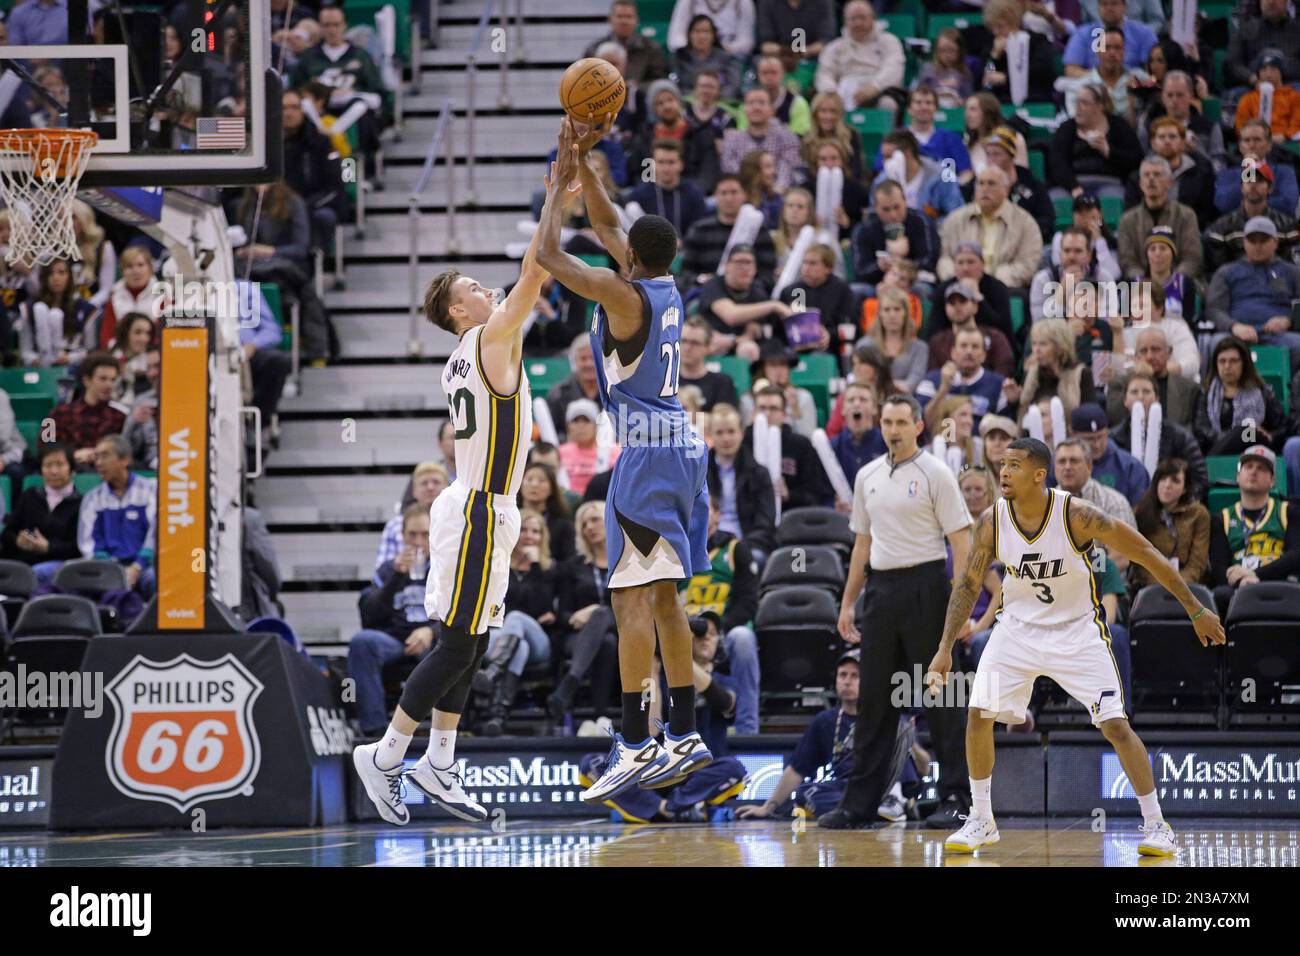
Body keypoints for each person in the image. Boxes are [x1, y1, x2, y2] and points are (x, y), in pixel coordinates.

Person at [351, 180, 554, 827]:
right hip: (475, 510)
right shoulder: (491, 340)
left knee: (468, 644)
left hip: (485, 510)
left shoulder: (468, 354)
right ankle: (385, 755)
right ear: (459, 313)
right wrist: (561, 193)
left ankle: (439, 761)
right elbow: (538, 269)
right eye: (471, 288)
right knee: (459, 645)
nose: (483, 289)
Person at [536, 118, 716, 801]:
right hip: (682, 447)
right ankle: (685, 732)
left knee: (628, 599)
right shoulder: (661, 284)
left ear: (630, 257)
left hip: (645, 452)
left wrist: (555, 192)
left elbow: (552, 259)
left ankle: (636, 742)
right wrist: (582, 161)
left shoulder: (621, 293)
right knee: (666, 596)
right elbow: (610, 221)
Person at [932, 436, 1224, 857]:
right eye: (1003, 465)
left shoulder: (1076, 515)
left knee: (1116, 726)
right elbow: (968, 584)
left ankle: (1158, 825)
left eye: (1014, 465)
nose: (1004, 472)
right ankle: (981, 819)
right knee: (978, 713)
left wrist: (1195, 609)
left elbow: (1143, 550)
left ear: (1038, 474)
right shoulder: (992, 522)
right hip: (1017, 629)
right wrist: (944, 646)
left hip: (1077, 631)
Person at [818, 394, 973, 830]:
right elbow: (861, 546)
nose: (893, 429)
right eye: (887, 421)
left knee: (943, 701)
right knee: (874, 704)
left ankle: (958, 800)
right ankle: (859, 805)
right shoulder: (866, 475)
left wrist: (958, 609)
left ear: (918, 426)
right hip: (881, 593)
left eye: (902, 422)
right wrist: (849, 602)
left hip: (927, 588)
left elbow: (961, 543)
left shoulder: (936, 473)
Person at [578, 619, 750, 822]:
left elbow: (725, 702)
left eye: (712, 634)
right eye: (699, 635)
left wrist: (676, 653)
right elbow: (651, 729)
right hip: (658, 771)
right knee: (591, 763)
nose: (706, 638)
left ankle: (660, 807)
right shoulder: (663, 677)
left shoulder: (725, 677)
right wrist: (653, 668)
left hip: (698, 772)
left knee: (735, 768)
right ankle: (666, 808)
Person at [738, 648, 929, 821]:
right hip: (847, 790)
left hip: (883, 784)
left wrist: (910, 740)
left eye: (855, 676)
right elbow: (796, 770)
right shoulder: (826, 721)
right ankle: (861, 811)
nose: (847, 681)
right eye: (843, 675)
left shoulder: (892, 715)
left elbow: (924, 769)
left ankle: (893, 801)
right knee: (805, 793)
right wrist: (767, 807)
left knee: (897, 727)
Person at [349, 504, 439, 736]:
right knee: (362, 642)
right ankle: (374, 729)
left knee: (454, 649)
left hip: (433, 642)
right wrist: (397, 576)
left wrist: (431, 631)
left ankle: (445, 729)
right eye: (412, 535)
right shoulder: (387, 570)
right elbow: (369, 617)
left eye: (425, 534)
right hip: (395, 640)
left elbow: (460, 616)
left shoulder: (445, 570)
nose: (418, 542)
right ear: (402, 536)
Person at [679, 499, 761, 733]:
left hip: (724, 632)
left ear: (717, 515)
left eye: (704, 511)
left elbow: (748, 602)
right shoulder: (675, 554)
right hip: (686, 632)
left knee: (744, 638)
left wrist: (717, 629)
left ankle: (747, 729)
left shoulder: (735, 550)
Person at [472, 510, 557, 736]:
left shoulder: (550, 568)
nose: (529, 536)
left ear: (543, 537)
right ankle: (497, 717)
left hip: (539, 641)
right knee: (520, 647)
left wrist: (536, 565)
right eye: (524, 530)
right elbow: (492, 603)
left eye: (536, 531)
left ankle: (492, 673)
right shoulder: (498, 565)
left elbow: (544, 608)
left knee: (516, 618)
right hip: (502, 639)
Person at [1207, 445, 1300, 616]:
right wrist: (1242, 582)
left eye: (1261, 468)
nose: (1253, 472)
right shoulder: (1222, 518)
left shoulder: (1289, 511)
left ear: (1272, 481)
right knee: (1218, 595)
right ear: (1238, 477)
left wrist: (1256, 575)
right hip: (1237, 590)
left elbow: (1295, 556)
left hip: (1279, 584)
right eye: (1248, 467)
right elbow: (1218, 568)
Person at [1204, 217, 1300, 374]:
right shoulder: (1226, 272)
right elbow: (1214, 309)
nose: (1257, 246)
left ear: (1275, 242)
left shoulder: (1292, 272)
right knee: (1216, 344)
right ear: (1244, 243)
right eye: (1252, 241)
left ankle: (1292, 395)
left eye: (1263, 240)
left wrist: (1288, 320)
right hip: (1237, 333)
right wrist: (1234, 326)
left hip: (1279, 335)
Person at [938, 167, 1044, 290]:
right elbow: (944, 259)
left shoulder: (1025, 222)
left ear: (1006, 189)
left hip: (1005, 287)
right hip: (960, 286)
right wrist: (961, 277)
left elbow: (1028, 264)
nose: (985, 189)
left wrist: (990, 282)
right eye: (980, 183)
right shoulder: (955, 220)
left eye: (991, 183)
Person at [77, 435, 157, 597]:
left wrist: (137, 566)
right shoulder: (93, 498)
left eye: (105, 456)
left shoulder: (151, 490)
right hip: (106, 567)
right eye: (96, 457)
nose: (98, 463)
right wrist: (114, 570)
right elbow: (88, 543)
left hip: (144, 566)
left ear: (125, 460)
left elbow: (156, 534)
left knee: (155, 578)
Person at [1109, 371, 1209, 498]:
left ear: (1156, 398)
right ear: (1125, 400)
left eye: (1146, 391)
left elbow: (1199, 478)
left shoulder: (1179, 436)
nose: (1140, 397)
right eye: (1134, 392)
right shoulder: (1113, 439)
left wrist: (1180, 503)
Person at [1193, 336, 1290, 456]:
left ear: (1244, 363)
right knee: (1243, 431)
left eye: (1234, 361)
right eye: (1222, 361)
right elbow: (1202, 430)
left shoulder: (1263, 393)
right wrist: (1234, 436)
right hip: (1216, 449)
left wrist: (1270, 436)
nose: (1227, 366)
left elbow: (1283, 428)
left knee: (1247, 432)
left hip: (1256, 451)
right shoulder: (1206, 394)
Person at [1046, 85, 1144, 203]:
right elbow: (1057, 162)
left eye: (1084, 103)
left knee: (1115, 198)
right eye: (1076, 102)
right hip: (1073, 183)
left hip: (1110, 182)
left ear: (1100, 106)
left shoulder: (1119, 126)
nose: (1078, 108)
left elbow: (1136, 159)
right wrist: (1073, 186)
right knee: (1056, 198)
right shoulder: (1067, 128)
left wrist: (1108, 151)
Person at [743, 384, 833, 508]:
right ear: (753, 412)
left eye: (774, 408)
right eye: (762, 408)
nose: (767, 414)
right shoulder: (742, 445)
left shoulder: (802, 445)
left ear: (784, 414)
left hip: (792, 518)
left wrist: (789, 494)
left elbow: (815, 493)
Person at [681, 175, 779, 289]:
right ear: (715, 197)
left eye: (734, 192)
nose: (729, 198)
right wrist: (701, 279)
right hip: (706, 292)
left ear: (744, 195)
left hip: (748, 296)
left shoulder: (758, 231)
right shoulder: (700, 230)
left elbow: (767, 276)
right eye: (723, 193)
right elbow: (686, 274)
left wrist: (743, 285)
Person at [706, 403, 777, 560]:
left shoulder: (759, 473)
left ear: (741, 433)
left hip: (748, 544)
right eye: (719, 432)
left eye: (731, 431)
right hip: (708, 544)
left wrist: (741, 547)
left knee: (755, 559)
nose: (726, 438)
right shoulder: (698, 473)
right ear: (711, 435)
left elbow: (766, 522)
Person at [1116, 155, 1203, 280]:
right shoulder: (1127, 220)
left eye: (1157, 174)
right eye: (1146, 175)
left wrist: (1172, 281)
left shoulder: (1186, 215)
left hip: (1179, 281)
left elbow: (1192, 257)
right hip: (1142, 284)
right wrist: (1146, 282)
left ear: (1169, 183)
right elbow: (1127, 262)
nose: (1151, 179)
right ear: (1140, 184)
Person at [0, 444, 82, 575]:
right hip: (23, 561)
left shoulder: (80, 503)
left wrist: (48, 547)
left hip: (60, 565)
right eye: (48, 466)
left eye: (60, 465)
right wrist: (17, 541)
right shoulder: (30, 496)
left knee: (38, 573)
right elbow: (7, 532)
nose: (54, 471)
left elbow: (78, 547)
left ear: (72, 470)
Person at [1205, 162, 1300, 274]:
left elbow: (1292, 270)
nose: (1253, 185)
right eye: (1249, 180)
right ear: (1241, 187)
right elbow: (1220, 271)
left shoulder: (1287, 226)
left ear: (1270, 188)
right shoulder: (1222, 227)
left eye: (1259, 181)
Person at [919, 323, 1012, 437]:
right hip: (939, 447)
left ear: (984, 355)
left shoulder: (998, 385)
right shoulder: (931, 380)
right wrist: (943, 389)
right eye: (963, 346)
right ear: (953, 352)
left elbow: (1006, 432)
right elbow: (923, 425)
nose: (969, 351)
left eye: (975, 346)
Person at [966, 126, 1055, 242]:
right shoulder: (977, 183)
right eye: (988, 154)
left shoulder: (1031, 185)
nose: (991, 160)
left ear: (1011, 155)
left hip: (1023, 244)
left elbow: (1047, 221)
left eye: (997, 154)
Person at [696, 244, 787, 357]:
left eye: (749, 263)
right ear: (727, 266)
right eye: (739, 262)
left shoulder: (757, 291)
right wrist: (774, 305)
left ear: (755, 268)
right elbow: (731, 315)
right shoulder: (713, 285)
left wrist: (734, 340)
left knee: (752, 348)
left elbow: (753, 332)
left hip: (738, 347)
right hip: (710, 343)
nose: (745, 268)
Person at [813, 1, 904, 113]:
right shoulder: (834, 47)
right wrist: (833, 94)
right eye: (853, 19)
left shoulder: (889, 41)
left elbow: (893, 69)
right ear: (845, 22)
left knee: (888, 104)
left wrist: (874, 87)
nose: (858, 23)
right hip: (843, 94)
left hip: (879, 91)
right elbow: (824, 74)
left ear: (872, 18)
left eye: (862, 18)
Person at [1133, 458, 1210, 588]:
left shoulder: (1199, 514)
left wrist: (1179, 586)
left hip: (1188, 586)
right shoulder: (1139, 512)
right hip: (1149, 585)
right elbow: (1138, 560)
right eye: (1163, 479)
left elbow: (1197, 562)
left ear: (1185, 488)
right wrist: (1160, 585)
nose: (1167, 485)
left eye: (1175, 481)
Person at [852, 179, 940, 291]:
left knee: (921, 289)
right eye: (886, 209)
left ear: (905, 201)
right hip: (877, 283)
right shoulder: (864, 230)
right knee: (857, 291)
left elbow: (930, 260)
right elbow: (860, 271)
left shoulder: (921, 222)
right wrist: (880, 266)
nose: (893, 215)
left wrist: (901, 267)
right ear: (876, 208)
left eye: (896, 207)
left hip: (913, 280)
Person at [1106, 327, 1201, 430]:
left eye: (1155, 349)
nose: (1149, 356)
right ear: (1136, 356)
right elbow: (1116, 422)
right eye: (1143, 351)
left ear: (1169, 352)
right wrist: (1139, 378)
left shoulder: (1189, 389)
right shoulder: (1118, 385)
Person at [50, 351, 126, 471]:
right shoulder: (58, 413)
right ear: (87, 380)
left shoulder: (120, 416)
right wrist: (73, 454)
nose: (109, 385)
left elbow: (125, 450)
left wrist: (97, 454)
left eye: (112, 380)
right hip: (69, 470)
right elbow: (44, 445)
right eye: (103, 379)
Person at [1135, 117, 1216, 230]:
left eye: (1172, 136)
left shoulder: (1201, 171)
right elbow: (1134, 210)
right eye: (1162, 137)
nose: (1167, 141)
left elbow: (1206, 210)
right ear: (1153, 143)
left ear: (1183, 142)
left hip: (1189, 229)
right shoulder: (1139, 174)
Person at [1016, 319, 1098, 425]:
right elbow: (1022, 417)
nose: (1036, 350)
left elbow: (1091, 414)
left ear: (1060, 347)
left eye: (1043, 344)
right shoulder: (1033, 373)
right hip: (1034, 438)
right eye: (1034, 344)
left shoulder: (1081, 373)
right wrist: (1013, 401)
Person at [719, 88, 804, 191]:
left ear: (772, 110)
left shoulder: (787, 137)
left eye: (762, 103)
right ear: (744, 109)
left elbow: (788, 168)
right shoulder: (732, 139)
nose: (756, 107)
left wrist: (776, 191)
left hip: (779, 194)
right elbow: (730, 170)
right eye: (751, 103)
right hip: (743, 193)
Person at [1063, 27, 1150, 127]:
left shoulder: (1141, 79)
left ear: (1124, 52)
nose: (1112, 53)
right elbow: (1076, 122)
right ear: (1097, 51)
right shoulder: (1080, 87)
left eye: (1117, 47)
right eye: (1106, 47)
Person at [623, 139, 709, 239]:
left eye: (671, 162)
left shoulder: (694, 194)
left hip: (689, 250)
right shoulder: (638, 196)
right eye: (661, 162)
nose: (666, 168)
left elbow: (701, 228)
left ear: (681, 164)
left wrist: (684, 242)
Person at [925, 283, 1015, 379]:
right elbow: (931, 378)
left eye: (962, 301)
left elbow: (1004, 371)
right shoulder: (937, 342)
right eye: (952, 303)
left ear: (975, 306)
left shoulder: (995, 337)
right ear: (946, 308)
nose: (957, 307)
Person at [373, 462, 449, 574]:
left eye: (436, 482)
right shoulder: (395, 526)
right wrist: (396, 564)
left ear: (447, 488)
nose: (430, 487)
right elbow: (380, 574)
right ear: (414, 491)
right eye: (424, 483)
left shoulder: (458, 523)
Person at [1071, 402, 1150, 505]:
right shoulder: (1059, 465)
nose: (1097, 445)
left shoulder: (1130, 467)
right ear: (1073, 435)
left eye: (1101, 437)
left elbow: (1142, 508)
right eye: (1089, 439)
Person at [583, 0, 670, 86]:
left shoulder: (652, 49)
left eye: (629, 17)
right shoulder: (594, 49)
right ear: (610, 19)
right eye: (620, 16)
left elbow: (660, 83)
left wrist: (636, 88)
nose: (624, 21)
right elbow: (585, 81)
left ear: (637, 20)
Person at [1063, 0, 1158, 76]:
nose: (1109, 8)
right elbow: (1071, 70)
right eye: (1104, 4)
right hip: (1094, 90)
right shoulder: (1082, 34)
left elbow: (1153, 69)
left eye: (1114, 3)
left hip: (1132, 88)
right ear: (1098, 8)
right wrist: (1102, 79)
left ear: (1125, 7)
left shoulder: (1144, 33)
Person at [865, 286, 929, 394]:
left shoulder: (920, 348)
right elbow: (863, 382)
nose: (892, 315)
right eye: (886, 310)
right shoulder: (866, 345)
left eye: (897, 309)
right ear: (880, 314)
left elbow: (912, 383)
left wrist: (884, 385)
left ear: (906, 313)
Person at [1224, 0, 1300, 90]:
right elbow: (1233, 63)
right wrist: (1253, 79)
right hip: (1253, 86)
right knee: (1235, 96)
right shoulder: (1245, 29)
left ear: (1287, 2)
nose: (1271, 2)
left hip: (1292, 86)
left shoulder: (1297, 30)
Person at [830, 381, 887, 499]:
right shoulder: (833, 447)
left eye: (863, 400)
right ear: (843, 409)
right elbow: (823, 495)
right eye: (851, 400)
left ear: (874, 408)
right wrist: (834, 505)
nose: (856, 404)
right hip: (842, 516)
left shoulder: (888, 444)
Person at [670, 14, 743, 99]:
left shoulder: (727, 59)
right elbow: (673, 86)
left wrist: (714, 96)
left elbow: (734, 86)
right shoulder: (679, 57)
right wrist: (695, 96)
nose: (701, 36)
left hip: (720, 102)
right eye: (697, 31)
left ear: (713, 35)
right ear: (689, 35)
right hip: (687, 101)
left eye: (706, 31)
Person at [545, 334, 602, 440]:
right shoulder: (558, 394)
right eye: (583, 359)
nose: (589, 364)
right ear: (574, 361)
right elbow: (551, 434)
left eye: (593, 358)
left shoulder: (614, 392)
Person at [559, 398, 620, 496]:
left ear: (596, 426)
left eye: (586, 421)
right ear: (568, 426)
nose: (580, 426)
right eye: (575, 421)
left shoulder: (614, 452)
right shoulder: (559, 453)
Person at [678, 317, 741, 411]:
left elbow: (724, 420)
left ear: (708, 347)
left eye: (695, 343)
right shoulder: (666, 381)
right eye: (684, 341)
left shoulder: (722, 382)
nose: (687, 348)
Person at [668, 0, 755, 58]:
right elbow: (675, 39)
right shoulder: (688, 1)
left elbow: (747, 42)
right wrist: (695, 48)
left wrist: (720, 49)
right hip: (693, 56)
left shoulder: (743, 2)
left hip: (727, 56)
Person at [915, 27, 974, 111]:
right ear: (937, 51)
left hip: (955, 113)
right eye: (943, 50)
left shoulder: (964, 73)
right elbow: (919, 94)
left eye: (952, 50)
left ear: (960, 51)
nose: (947, 55)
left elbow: (969, 99)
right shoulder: (928, 69)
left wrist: (962, 102)